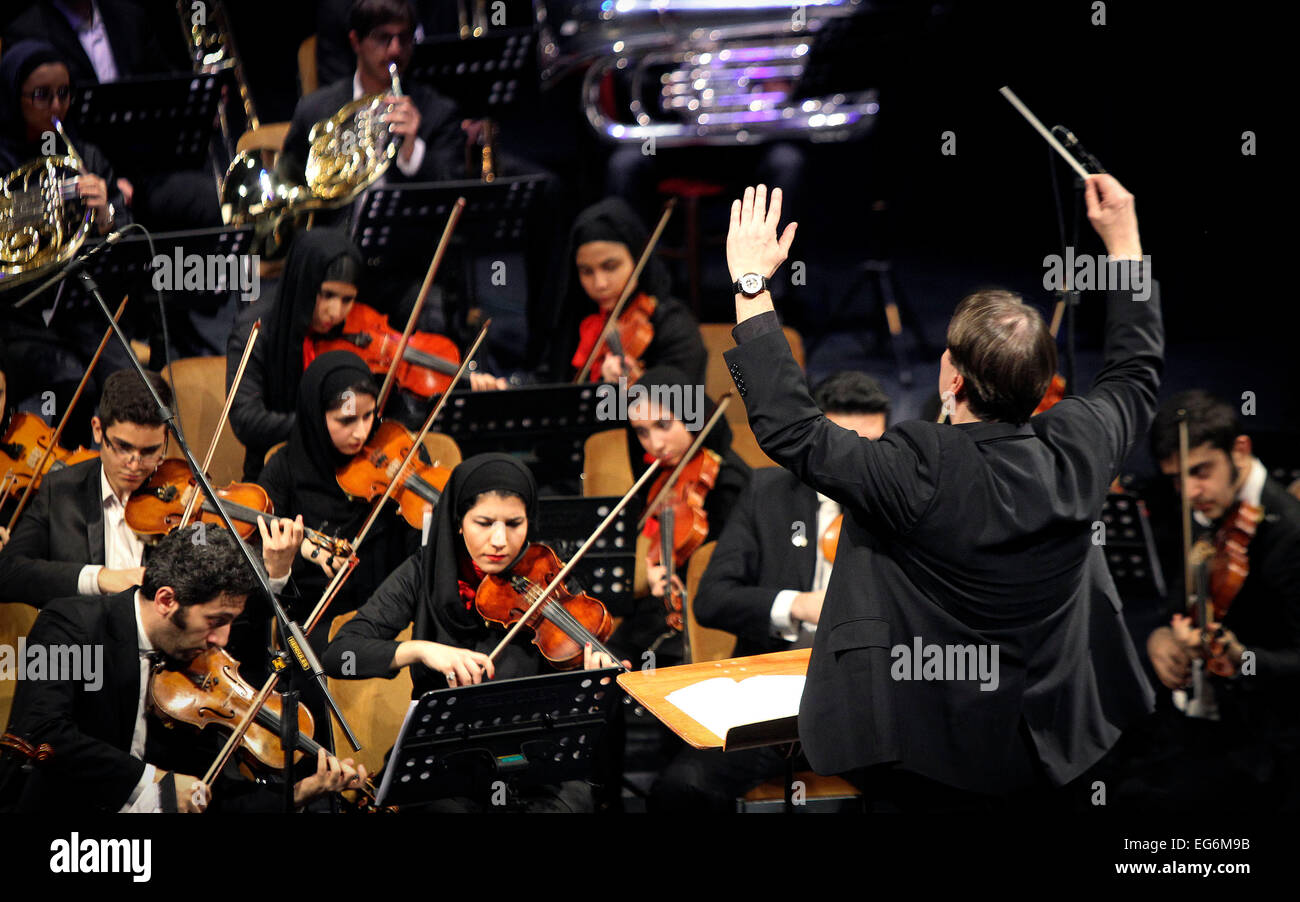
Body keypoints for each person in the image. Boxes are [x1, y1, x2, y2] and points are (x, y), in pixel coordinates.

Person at [721, 177, 1160, 809]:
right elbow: (1135, 369)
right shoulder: (1083, 447)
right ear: (1043, 386)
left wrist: (751, 285)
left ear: (950, 377)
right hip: (1050, 748)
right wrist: (1125, 243)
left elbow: (793, 429)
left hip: (927, 758)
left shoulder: (917, 465)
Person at [322, 453, 620, 811]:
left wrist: (590, 683)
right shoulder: (422, 572)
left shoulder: (549, 576)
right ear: (459, 521)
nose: (499, 540)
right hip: (448, 764)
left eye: (514, 523)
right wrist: (421, 649)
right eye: (484, 522)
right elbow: (340, 656)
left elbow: (577, 703)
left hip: (530, 764)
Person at [648, 371, 888, 811]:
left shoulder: (900, 502)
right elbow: (712, 599)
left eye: (871, 446)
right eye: (843, 443)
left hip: (865, 705)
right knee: (681, 789)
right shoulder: (765, 492)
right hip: (773, 704)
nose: (857, 461)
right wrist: (796, 605)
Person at [0, 527, 366, 813]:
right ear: (166, 600)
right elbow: (41, 731)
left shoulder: (194, 676)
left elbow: (214, 798)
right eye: (215, 621)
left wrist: (303, 791)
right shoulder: (69, 626)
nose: (221, 639)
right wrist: (153, 781)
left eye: (230, 622)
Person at [1108, 390, 1300, 811]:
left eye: (1201, 471)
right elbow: (1179, 600)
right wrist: (1160, 638)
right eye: (1177, 479)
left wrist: (1245, 657)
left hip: (1266, 744)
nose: (1190, 491)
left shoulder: (1289, 533)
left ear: (1241, 450)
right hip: (1200, 716)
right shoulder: (1204, 509)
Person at [0, 367, 301, 607]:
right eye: (122, 447)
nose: (134, 464)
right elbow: (8, 573)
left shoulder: (190, 504)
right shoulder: (61, 490)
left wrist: (275, 572)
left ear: (167, 439)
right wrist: (102, 579)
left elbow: (236, 610)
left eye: (149, 451)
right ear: (97, 430)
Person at [257, 350, 421, 628]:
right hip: (315, 617)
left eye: (369, 415)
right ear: (316, 415)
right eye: (346, 420)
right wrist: (283, 563)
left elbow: (420, 552)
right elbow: (267, 581)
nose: (361, 432)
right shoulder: (283, 468)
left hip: (394, 613)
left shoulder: (397, 454)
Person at [608, 364, 751, 667]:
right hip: (651, 609)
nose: (655, 444)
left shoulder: (729, 483)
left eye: (663, 425)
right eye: (642, 433)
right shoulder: (660, 477)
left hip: (700, 623)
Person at [277, 0, 465, 193]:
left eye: (404, 37)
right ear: (355, 41)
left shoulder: (439, 113)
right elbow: (288, 183)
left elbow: (454, 192)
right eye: (383, 37)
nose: (395, 49)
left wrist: (412, 153)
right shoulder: (314, 110)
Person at [228, 230, 365, 481]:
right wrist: (322, 425)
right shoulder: (255, 330)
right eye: (327, 295)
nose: (336, 312)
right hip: (277, 475)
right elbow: (246, 419)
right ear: (305, 283)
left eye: (348, 300)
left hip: (346, 473)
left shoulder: (354, 332)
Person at [532, 198, 708, 385]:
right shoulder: (574, 318)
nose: (599, 284)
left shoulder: (674, 325)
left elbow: (688, 403)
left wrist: (630, 386)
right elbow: (546, 382)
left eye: (610, 267)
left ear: (636, 258)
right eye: (586, 271)